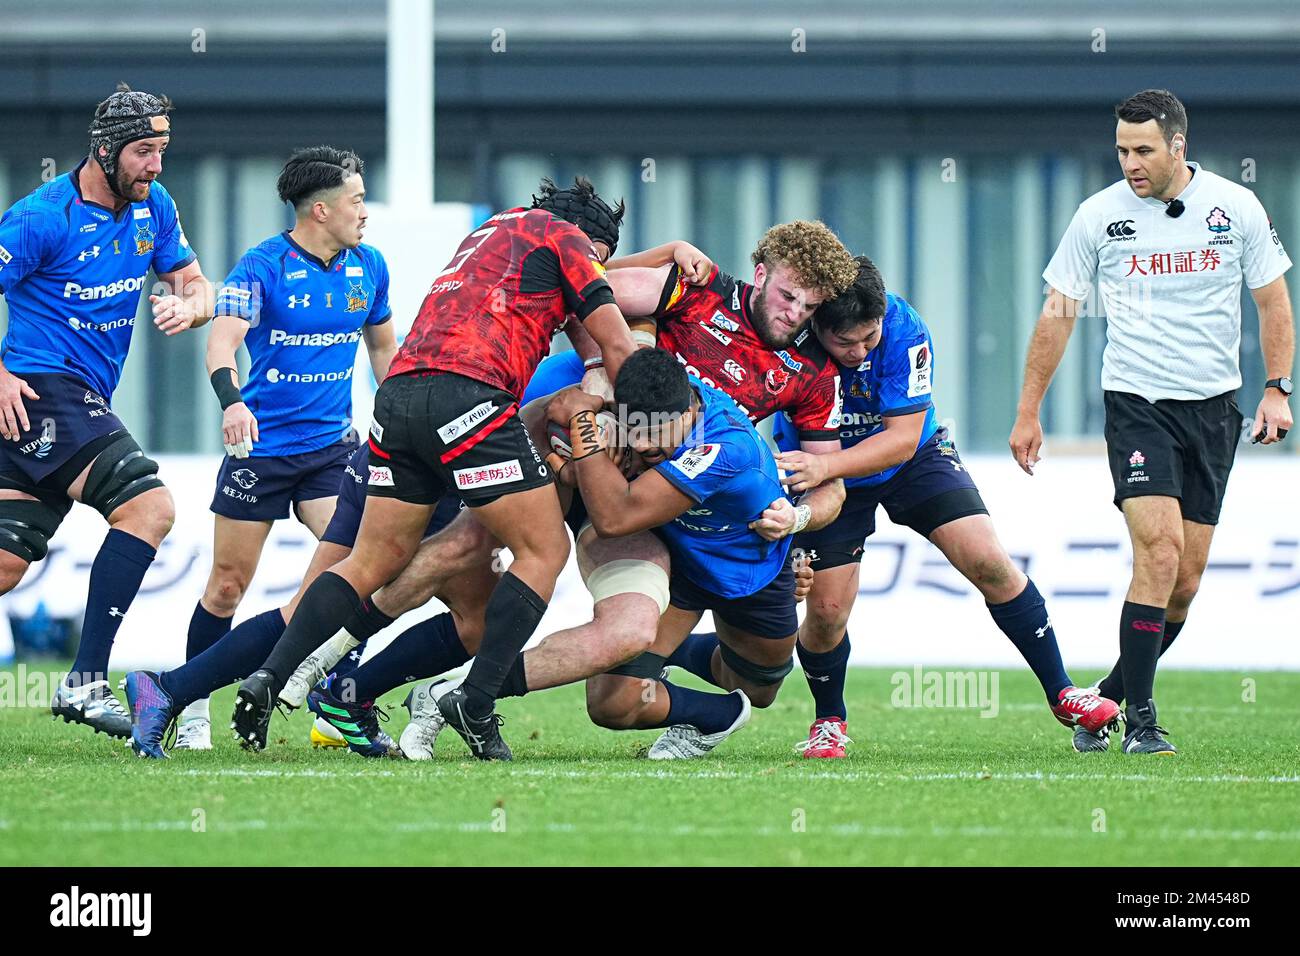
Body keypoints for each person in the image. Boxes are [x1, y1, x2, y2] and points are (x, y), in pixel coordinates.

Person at [230, 176, 637, 759]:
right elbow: (618, 347)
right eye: (602, 263)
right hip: (470, 395)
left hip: (397, 398)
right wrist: (646, 418)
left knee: (374, 559)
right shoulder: (570, 242)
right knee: (544, 550)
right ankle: (475, 701)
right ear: (593, 244)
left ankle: (271, 674)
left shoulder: (493, 231)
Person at [1009, 89, 1293, 754]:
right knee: (1158, 552)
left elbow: (1273, 302)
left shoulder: (1236, 207)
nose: (1130, 163)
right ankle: (1143, 725)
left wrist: (1277, 389)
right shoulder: (1098, 217)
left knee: (1185, 583)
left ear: (1178, 148)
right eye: (1121, 150)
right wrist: (1029, 409)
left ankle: (1107, 697)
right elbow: (1058, 312)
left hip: (1215, 410)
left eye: (1142, 150)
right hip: (1136, 405)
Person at [772, 256, 1120, 758]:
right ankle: (830, 720)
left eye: (868, 338)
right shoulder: (790, 335)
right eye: (844, 343)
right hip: (820, 463)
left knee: (990, 562)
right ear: (817, 321)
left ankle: (1064, 694)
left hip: (911, 458)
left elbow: (902, 440)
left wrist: (825, 468)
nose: (859, 351)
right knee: (825, 612)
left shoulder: (905, 328)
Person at [0, 84, 212, 738]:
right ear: (105, 149)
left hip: (69, 404)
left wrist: (193, 304)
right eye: (144, 151)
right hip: (43, 392)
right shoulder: (41, 217)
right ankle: (85, 681)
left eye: (162, 151)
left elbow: (194, 281)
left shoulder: (157, 208)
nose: (155, 165)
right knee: (149, 507)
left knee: (8, 563)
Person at [169, 146, 398, 750]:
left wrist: (399, 412)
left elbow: (382, 353)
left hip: (333, 452)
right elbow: (221, 348)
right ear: (320, 210)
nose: (364, 213)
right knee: (226, 585)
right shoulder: (261, 266)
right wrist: (234, 403)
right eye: (356, 201)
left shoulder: (369, 266)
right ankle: (189, 707)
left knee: (354, 578)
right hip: (263, 453)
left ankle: (336, 705)